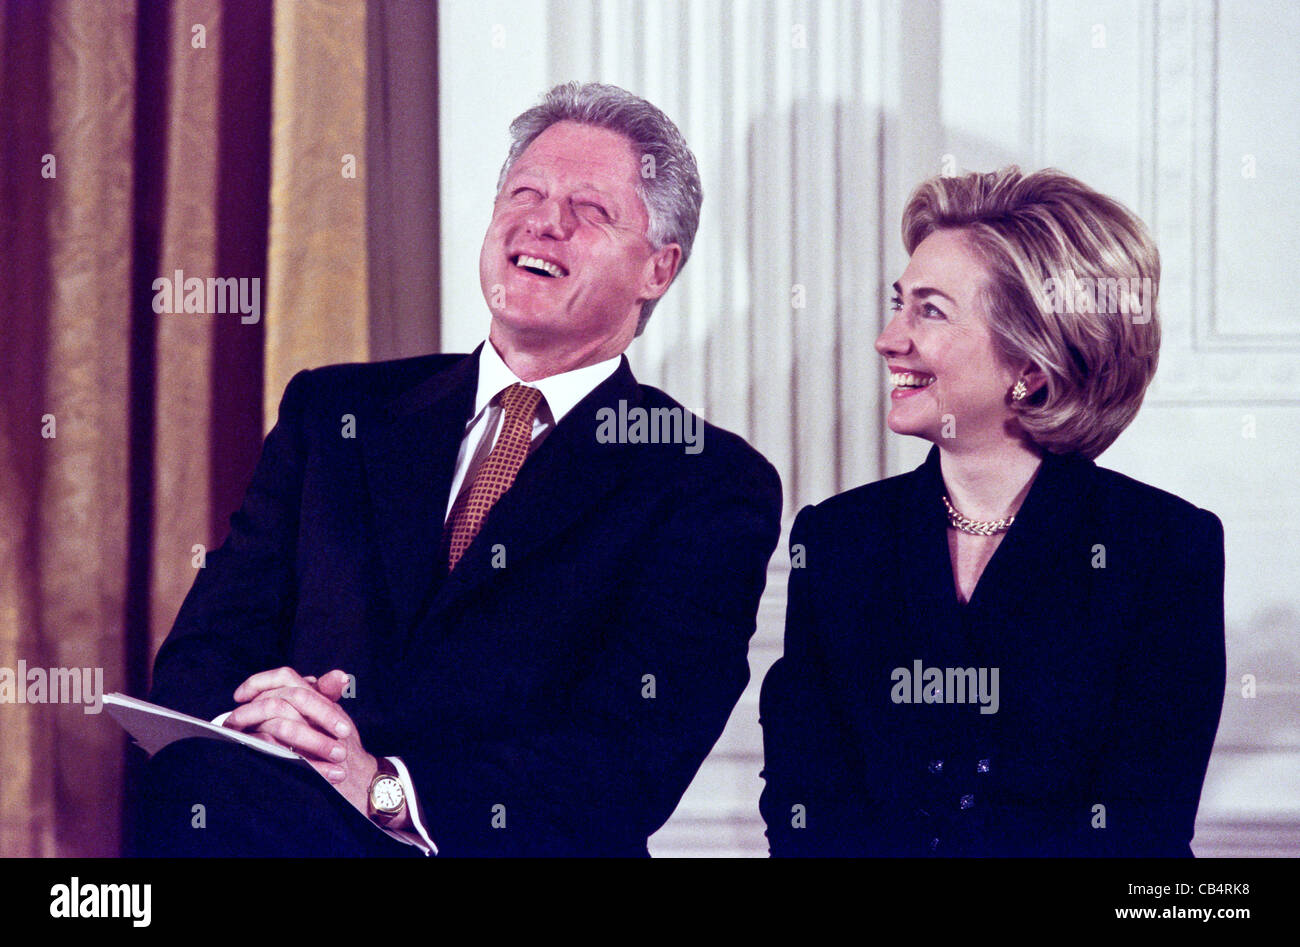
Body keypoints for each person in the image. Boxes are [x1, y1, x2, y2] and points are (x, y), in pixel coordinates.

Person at [136, 82, 782, 857]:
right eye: (527, 192)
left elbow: (626, 760)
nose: (546, 220)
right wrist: (271, 723)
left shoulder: (707, 483)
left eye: (591, 209)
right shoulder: (333, 410)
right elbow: (200, 658)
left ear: (658, 269)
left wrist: (382, 783)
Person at [759, 166, 1225, 857]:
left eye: (930, 310)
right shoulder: (836, 539)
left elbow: (1141, 830)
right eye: (899, 303)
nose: (889, 338)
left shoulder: (1163, 547)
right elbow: (805, 803)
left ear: (1030, 365)